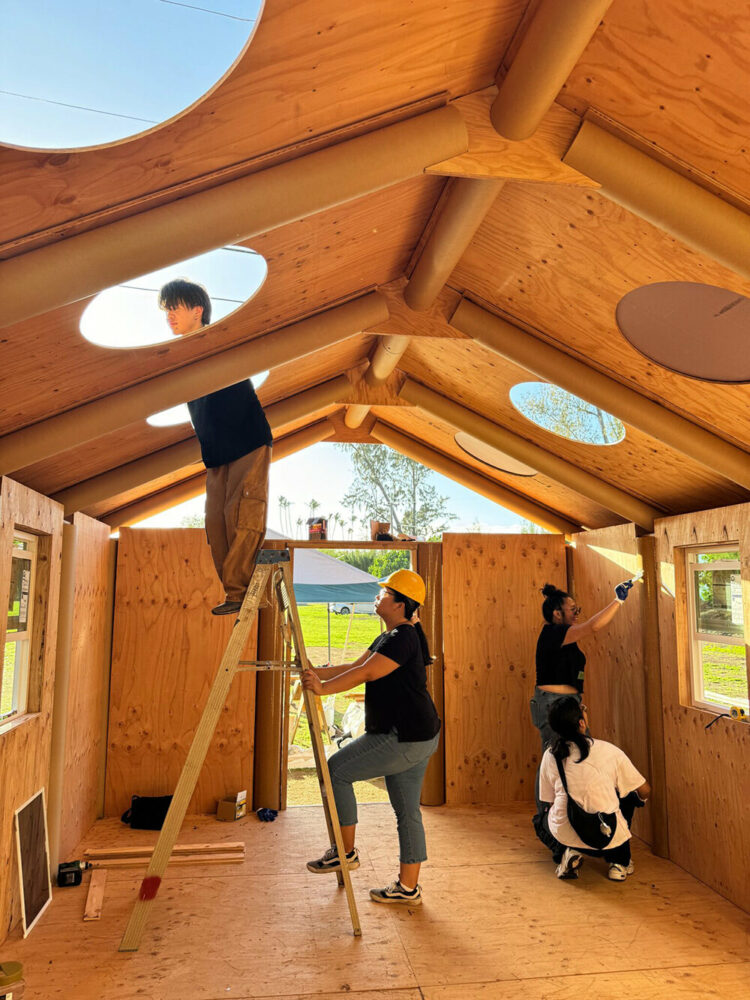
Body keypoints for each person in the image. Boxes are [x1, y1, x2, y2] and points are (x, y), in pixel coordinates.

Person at [301, 569, 441, 906]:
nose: (377, 597)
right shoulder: (391, 636)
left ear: (400, 603)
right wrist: (313, 672)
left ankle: (344, 853)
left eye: (384, 593)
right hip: (419, 734)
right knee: (407, 812)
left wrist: (322, 690)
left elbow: (365, 673)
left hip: (404, 736)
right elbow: (356, 665)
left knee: (337, 771)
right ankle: (408, 889)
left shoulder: (403, 637)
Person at [159, 279, 272, 615]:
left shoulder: (220, 340)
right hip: (216, 450)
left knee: (243, 513)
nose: (169, 316)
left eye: (174, 308)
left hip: (247, 439)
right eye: (166, 311)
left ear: (198, 311)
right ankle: (234, 590)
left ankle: (243, 590)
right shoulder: (180, 357)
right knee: (216, 523)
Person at [531, 578, 635, 790]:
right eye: (572, 609)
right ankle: (545, 820)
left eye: (577, 608)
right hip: (552, 705)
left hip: (568, 703)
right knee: (554, 760)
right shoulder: (553, 633)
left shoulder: (566, 636)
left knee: (580, 755)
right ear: (556, 614)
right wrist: (618, 601)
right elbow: (593, 626)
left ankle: (574, 814)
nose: (576, 613)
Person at [538, 697, 650, 880]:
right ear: (581, 723)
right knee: (630, 795)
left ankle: (565, 851)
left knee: (540, 819)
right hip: (607, 835)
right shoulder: (609, 751)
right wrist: (636, 801)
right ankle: (619, 863)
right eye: (583, 709)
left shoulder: (551, 755)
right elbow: (644, 790)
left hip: (568, 831)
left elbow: (547, 800)